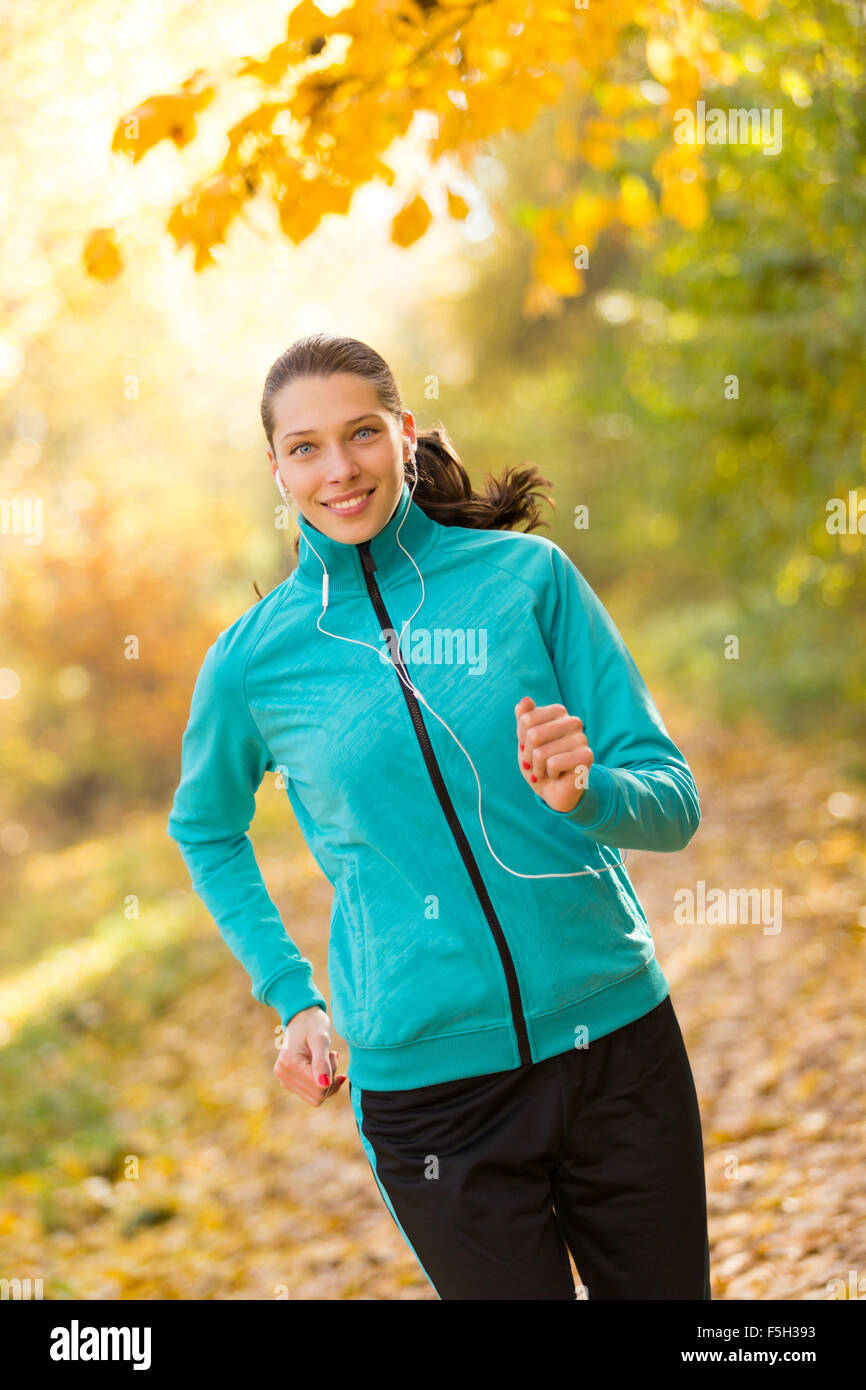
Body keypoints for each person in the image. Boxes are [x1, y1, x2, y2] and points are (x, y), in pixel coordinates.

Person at [166, 332, 711, 1301]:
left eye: (361, 434)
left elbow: (670, 805)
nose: (339, 469)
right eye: (305, 447)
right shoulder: (251, 663)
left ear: (403, 436)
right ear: (275, 467)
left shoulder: (526, 579)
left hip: (615, 1049)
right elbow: (205, 827)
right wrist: (290, 993)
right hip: (430, 1099)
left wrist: (587, 794)